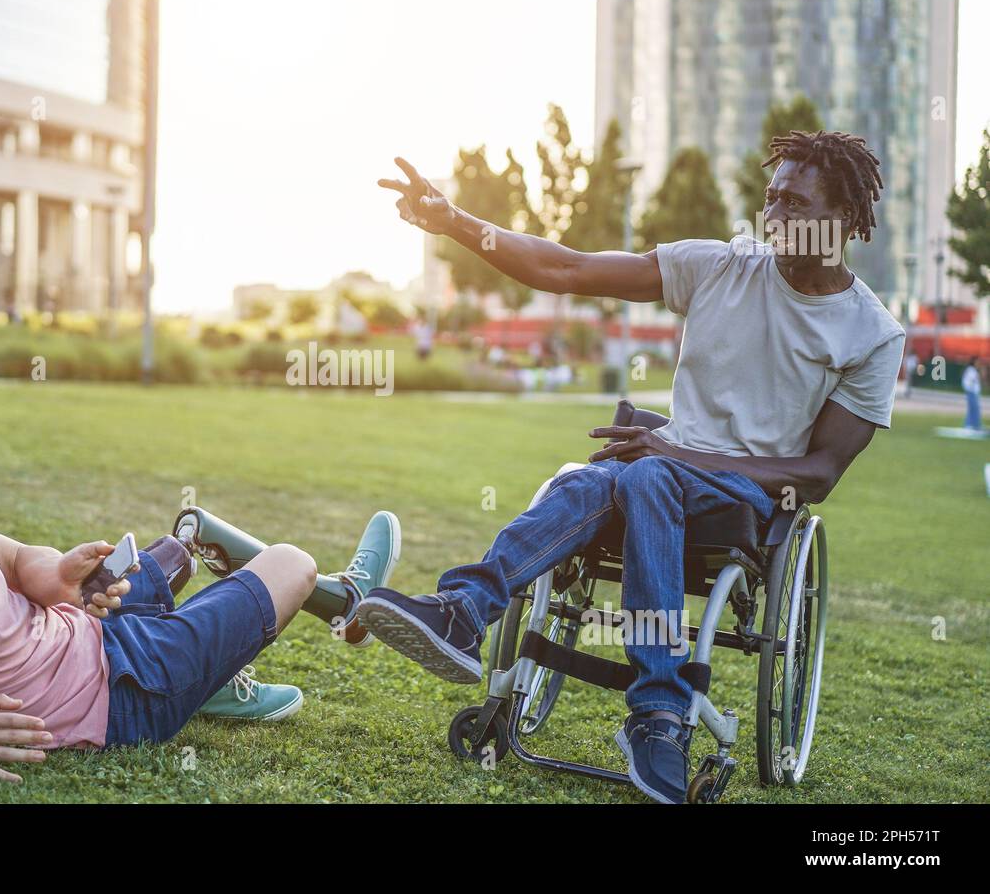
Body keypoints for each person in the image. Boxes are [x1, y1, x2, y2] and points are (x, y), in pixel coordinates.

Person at [364, 130, 904, 803]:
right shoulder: (718, 268)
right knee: (589, 478)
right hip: (658, 476)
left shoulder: (871, 334)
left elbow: (819, 474)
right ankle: (466, 614)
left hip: (749, 501)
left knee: (644, 472)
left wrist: (676, 453)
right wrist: (454, 222)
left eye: (794, 204)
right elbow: (569, 268)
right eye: (770, 199)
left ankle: (654, 707)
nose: (774, 217)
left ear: (845, 220)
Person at [0, 387, 400, 782]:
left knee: (181, 548)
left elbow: (10, 560)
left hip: (85, 626)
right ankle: (341, 605)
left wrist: (54, 575)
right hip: (124, 692)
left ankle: (224, 673)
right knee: (290, 562)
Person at [963, 357, 983, 431]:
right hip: (971, 392)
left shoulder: (973, 370)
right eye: (977, 362)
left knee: (974, 409)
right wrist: (971, 390)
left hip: (973, 392)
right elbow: (968, 381)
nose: (978, 364)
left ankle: (975, 425)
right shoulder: (971, 370)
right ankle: (970, 425)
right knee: (973, 409)